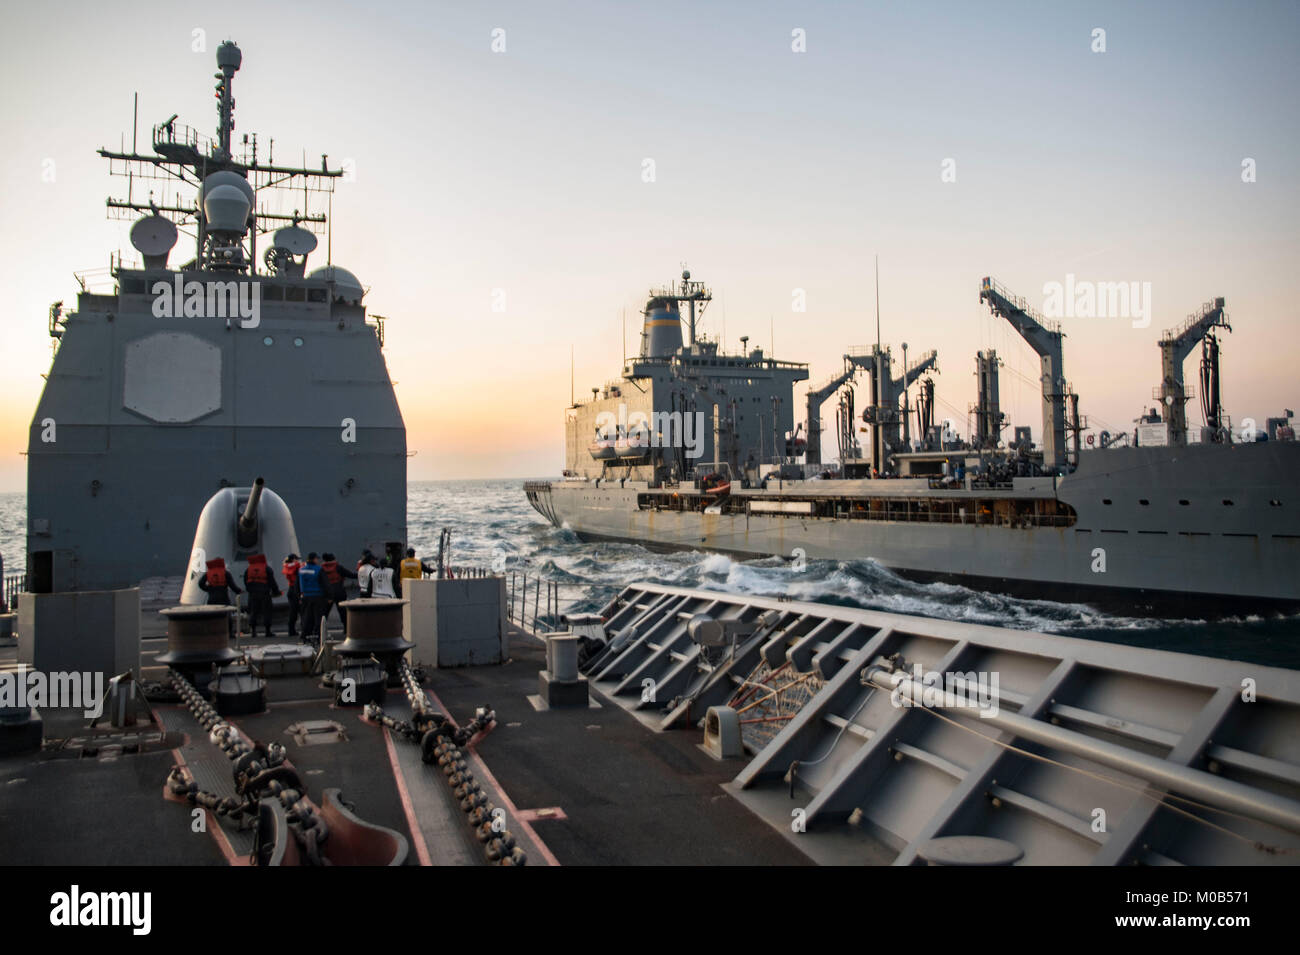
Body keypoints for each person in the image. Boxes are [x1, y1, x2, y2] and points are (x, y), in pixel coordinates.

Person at [243, 553, 281, 639]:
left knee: (253, 612)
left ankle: (253, 631)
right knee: (267, 612)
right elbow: (272, 582)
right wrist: (276, 591)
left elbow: (245, 581)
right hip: (265, 593)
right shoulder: (267, 569)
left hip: (253, 594)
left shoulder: (248, 569)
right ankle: (267, 631)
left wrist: (249, 589)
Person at [320, 552, 358, 627]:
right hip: (339, 591)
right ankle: (346, 628)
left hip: (327, 592)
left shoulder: (321, 569)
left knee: (325, 612)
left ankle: (321, 628)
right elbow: (350, 575)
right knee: (342, 611)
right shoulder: (338, 567)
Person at [297, 553, 327, 645]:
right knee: (318, 617)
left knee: (306, 617)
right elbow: (325, 583)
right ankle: (318, 637)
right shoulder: (319, 569)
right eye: (317, 559)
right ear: (314, 559)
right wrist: (329, 596)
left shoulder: (301, 570)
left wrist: (299, 596)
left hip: (306, 596)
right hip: (317, 596)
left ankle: (305, 636)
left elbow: (297, 585)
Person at [282, 553, 302, 637]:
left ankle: (291, 630)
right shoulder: (297, 568)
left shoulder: (287, 566)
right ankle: (305, 630)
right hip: (298, 590)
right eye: (296, 559)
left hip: (291, 590)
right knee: (303, 611)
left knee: (292, 612)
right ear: (294, 559)